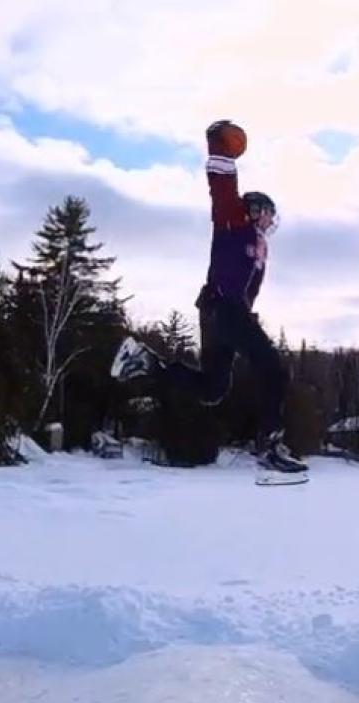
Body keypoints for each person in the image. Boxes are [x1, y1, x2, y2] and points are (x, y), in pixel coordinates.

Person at [111, 120, 307, 473]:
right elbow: (222, 187)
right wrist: (219, 145)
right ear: (255, 210)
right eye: (267, 215)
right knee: (274, 370)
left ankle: (145, 360)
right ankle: (272, 444)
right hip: (223, 308)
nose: (269, 223)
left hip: (222, 314)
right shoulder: (233, 221)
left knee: (212, 389)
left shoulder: (257, 247)